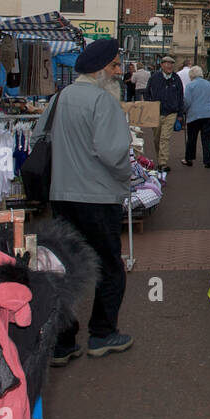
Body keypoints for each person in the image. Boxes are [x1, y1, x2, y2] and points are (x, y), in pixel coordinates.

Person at [35, 38, 135, 363]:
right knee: (109, 267)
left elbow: (39, 137)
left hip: (62, 194)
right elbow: (113, 153)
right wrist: (124, 179)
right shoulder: (103, 102)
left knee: (64, 267)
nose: (119, 71)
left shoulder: (59, 98)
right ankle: (102, 334)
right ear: (101, 70)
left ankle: (63, 341)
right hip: (97, 196)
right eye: (116, 65)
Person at [146, 55, 186, 172]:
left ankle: (163, 163)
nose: (169, 66)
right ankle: (160, 158)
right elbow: (147, 91)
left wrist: (180, 114)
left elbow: (180, 96)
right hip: (156, 112)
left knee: (165, 138)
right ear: (162, 65)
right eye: (167, 64)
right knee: (157, 138)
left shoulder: (176, 78)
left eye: (171, 64)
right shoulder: (155, 77)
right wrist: (150, 104)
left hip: (171, 112)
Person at [181, 65, 210, 168]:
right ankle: (208, 161)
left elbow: (187, 101)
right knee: (207, 138)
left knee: (192, 138)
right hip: (209, 114)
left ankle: (189, 158)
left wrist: (183, 111)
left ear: (191, 76)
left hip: (194, 115)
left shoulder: (190, 86)